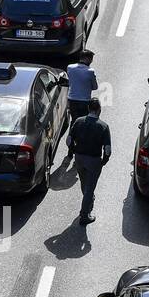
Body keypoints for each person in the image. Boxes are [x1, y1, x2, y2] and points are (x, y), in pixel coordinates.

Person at [67, 96, 111, 225]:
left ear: (88, 108)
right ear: (99, 110)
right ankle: (84, 215)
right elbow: (107, 149)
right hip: (94, 160)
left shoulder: (78, 121)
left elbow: (69, 140)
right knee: (90, 188)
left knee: (84, 182)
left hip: (79, 158)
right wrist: (104, 160)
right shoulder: (103, 126)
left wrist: (73, 149)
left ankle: (88, 199)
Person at [66, 50, 98, 130]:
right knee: (84, 121)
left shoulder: (70, 67)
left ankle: (71, 137)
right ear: (87, 59)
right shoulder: (90, 71)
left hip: (72, 99)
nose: (91, 61)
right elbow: (95, 87)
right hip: (84, 101)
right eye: (91, 59)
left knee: (74, 120)